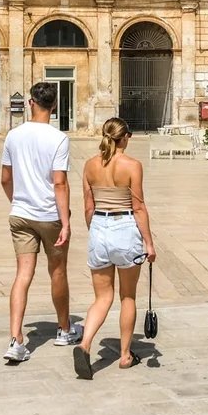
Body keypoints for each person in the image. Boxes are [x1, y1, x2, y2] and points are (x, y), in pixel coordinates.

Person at [0, 81, 80, 364]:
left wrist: (18, 201)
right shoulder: (59, 138)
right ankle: (65, 329)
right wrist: (66, 221)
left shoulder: (13, 135)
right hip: (49, 216)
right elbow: (60, 183)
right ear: (55, 105)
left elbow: (5, 179)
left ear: (31, 102)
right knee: (57, 272)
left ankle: (16, 339)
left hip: (20, 214)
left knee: (23, 275)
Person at [73, 118, 156, 379]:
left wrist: (95, 231)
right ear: (125, 138)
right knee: (127, 296)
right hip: (125, 226)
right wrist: (149, 243)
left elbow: (88, 206)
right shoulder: (132, 165)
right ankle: (124, 355)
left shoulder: (89, 165)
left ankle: (85, 343)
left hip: (99, 225)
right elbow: (139, 206)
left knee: (102, 297)